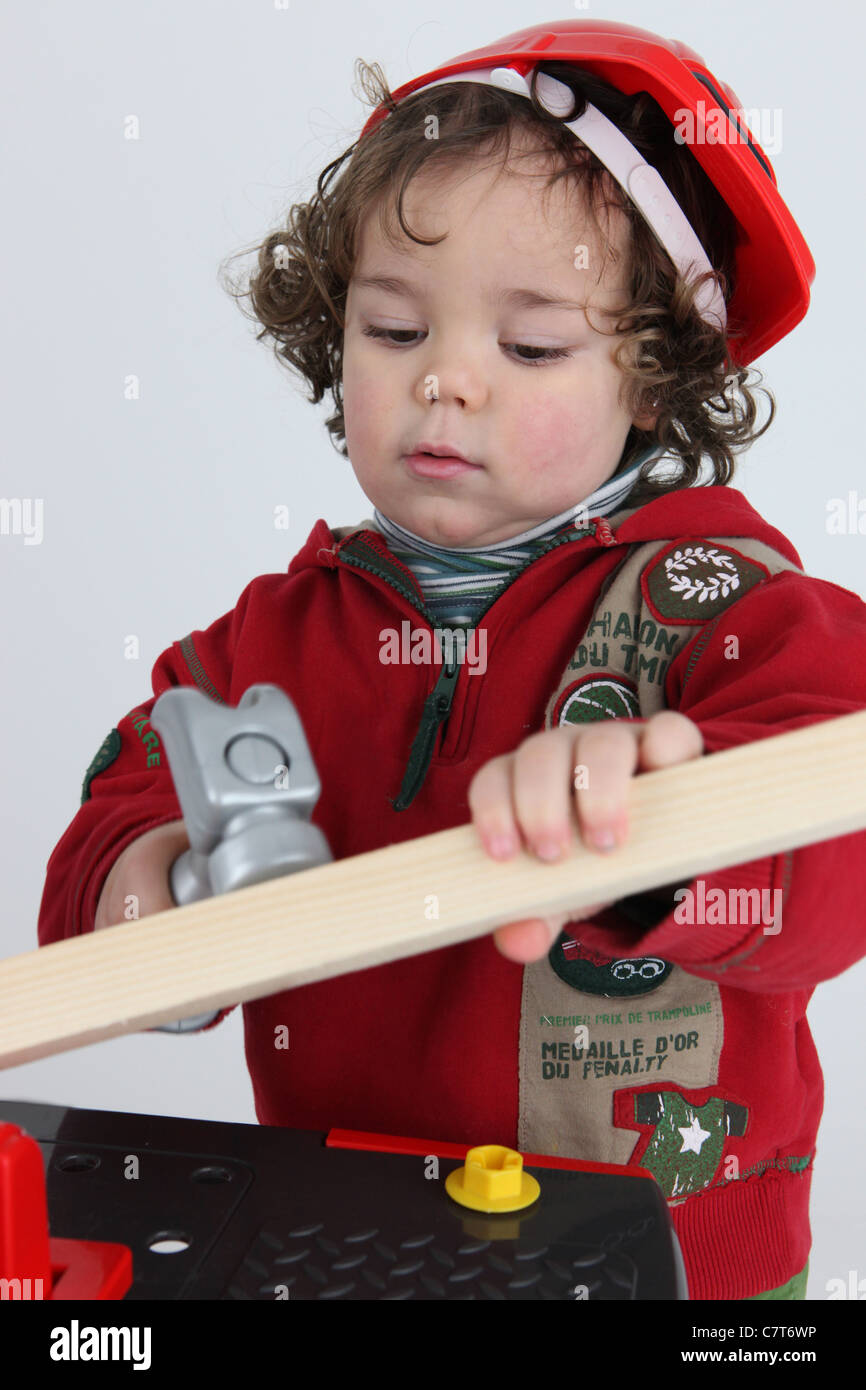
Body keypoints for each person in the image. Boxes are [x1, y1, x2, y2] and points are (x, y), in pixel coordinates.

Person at [38, 20, 866, 1300]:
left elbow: (836, 846)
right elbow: (109, 840)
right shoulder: (265, 642)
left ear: (652, 380)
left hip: (674, 1273)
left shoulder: (729, 612)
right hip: (333, 1244)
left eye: (528, 347)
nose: (446, 384)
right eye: (392, 330)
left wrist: (666, 820)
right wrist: (168, 891)